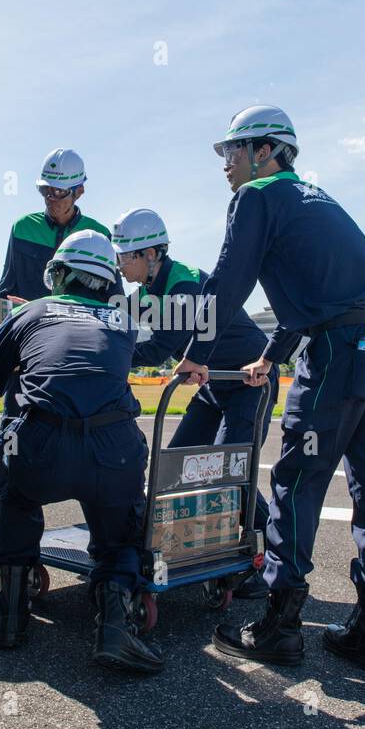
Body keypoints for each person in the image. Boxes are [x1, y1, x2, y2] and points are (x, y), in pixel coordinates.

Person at [174, 106, 365, 673]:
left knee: (295, 479)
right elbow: (318, 297)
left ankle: (280, 625)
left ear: (264, 151)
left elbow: (229, 280)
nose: (225, 164)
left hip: (339, 351)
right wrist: (269, 357)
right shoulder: (314, 198)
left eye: (231, 151)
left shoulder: (256, 198)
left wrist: (194, 358)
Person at [0, 230, 162, 674]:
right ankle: (116, 626)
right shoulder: (124, 321)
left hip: (42, 448)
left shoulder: (31, 313)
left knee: (17, 501)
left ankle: (11, 613)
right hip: (113, 451)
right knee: (120, 530)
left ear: (58, 273)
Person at [112, 207, 279, 599]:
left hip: (247, 380)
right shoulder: (152, 289)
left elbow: (160, 350)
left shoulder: (183, 284)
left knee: (230, 470)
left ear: (150, 254)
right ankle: (192, 542)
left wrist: (110, 359)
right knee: (179, 460)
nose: (120, 265)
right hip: (214, 384)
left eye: (125, 256)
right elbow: (117, 318)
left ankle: (276, 560)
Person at [0, 148, 115, 551]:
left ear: (80, 190)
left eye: (61, 192)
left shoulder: (96, 234)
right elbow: (6, 288)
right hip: (31, 345)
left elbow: (111, 296)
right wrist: (12, 308)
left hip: (78, 346)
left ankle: (108, 521)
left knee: (95, 428)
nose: (52, 199)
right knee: (11, 428)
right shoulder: (23, 227)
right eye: (46, 190)